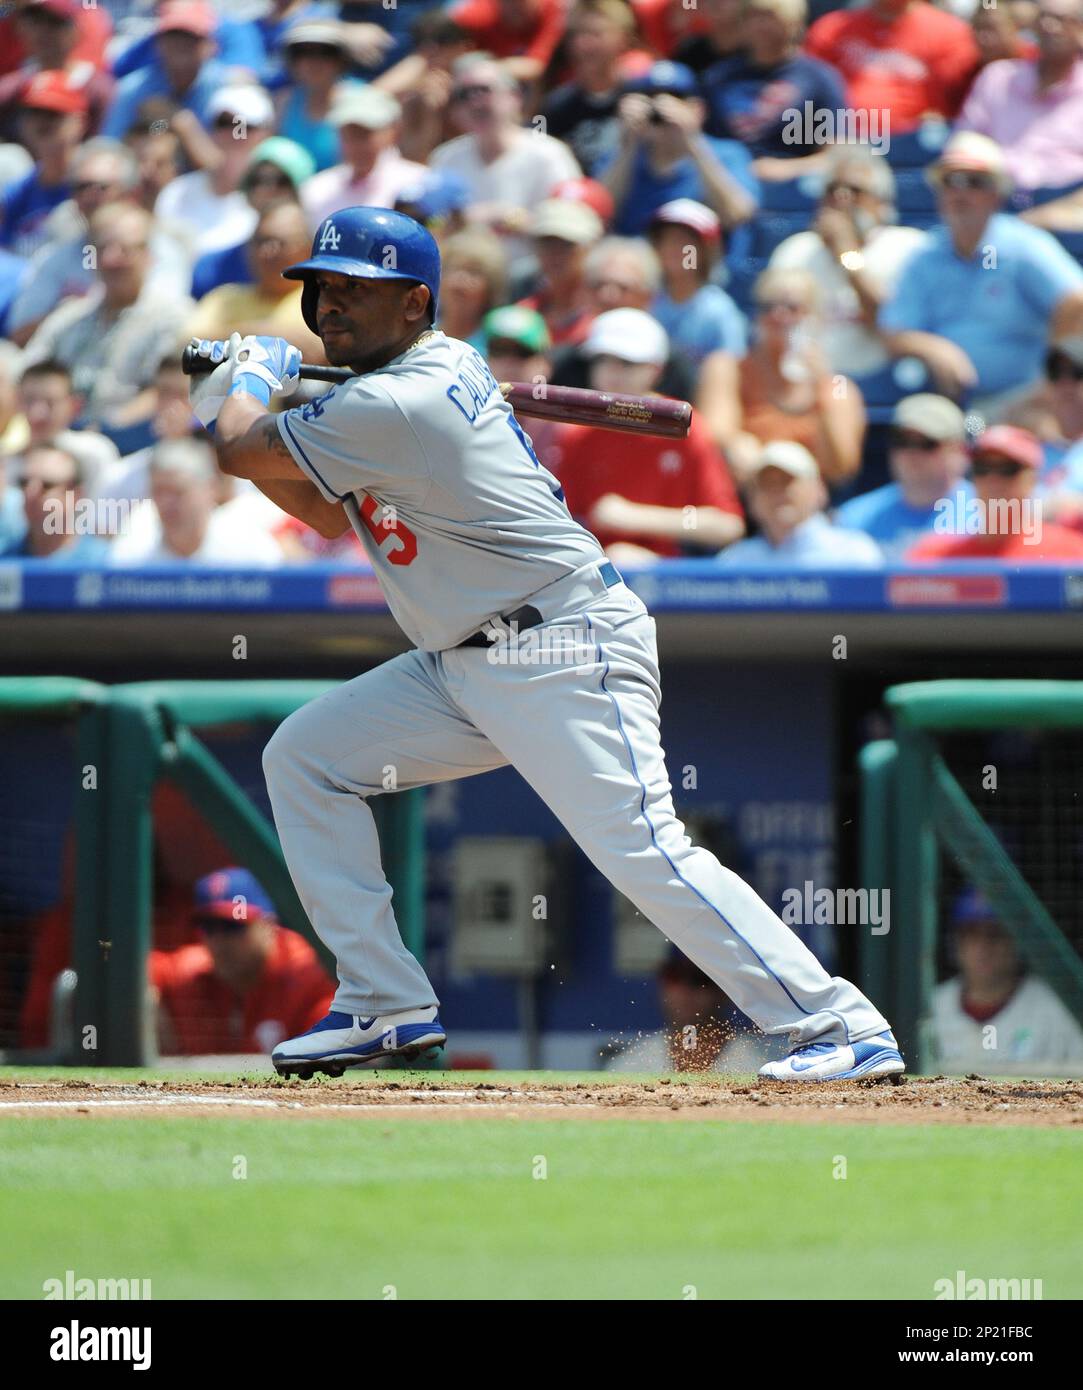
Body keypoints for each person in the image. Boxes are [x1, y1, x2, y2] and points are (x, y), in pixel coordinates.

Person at [189, 206, 904, 1083]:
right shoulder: (419, 377)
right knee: (307, 758)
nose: (329, 306)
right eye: (322, 289)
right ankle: (382, 1002)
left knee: (642, 848)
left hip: (557, 641)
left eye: (354, 290)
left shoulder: (400, 399)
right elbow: (316, 511)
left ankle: (836, 1023)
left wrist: (249, 384)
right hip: (462, 662)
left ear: (415, 303)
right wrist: (227, 406)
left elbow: (237, 450)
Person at [879, 132, 1083, 420]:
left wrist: (1047, 381)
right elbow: (893, 331)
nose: (960, 192)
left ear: (996, 194)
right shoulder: (924, 254)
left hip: (1021, 404)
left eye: (974, 182)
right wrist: (932, 347)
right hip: (946, 406)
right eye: (951, 181)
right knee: (910, 430)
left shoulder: (1021, 245)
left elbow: (1076, 300)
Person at [552, 307, 745, 564]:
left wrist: (635, 518)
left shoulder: (683, 425)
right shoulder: (575, 434)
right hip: (592, 576)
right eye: (603, 359)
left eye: (627, 362)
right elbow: (560, 521)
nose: (612, 372)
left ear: (656, 369)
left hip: (672, 578)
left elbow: (727, 525)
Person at [21, 202, 193, 431]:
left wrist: (107, 428)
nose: (111, 260)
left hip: (132, 441)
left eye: (124, 249)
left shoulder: (173, 318)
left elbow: (167, 391)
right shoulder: (68, 316)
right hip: (61, 434)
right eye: (102, 249)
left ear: (147, 256)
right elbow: (28, 372)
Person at [6, 135, 191, 347]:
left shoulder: (160, 248)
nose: (90, 196)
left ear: (131, 192)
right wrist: (77, 313)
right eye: (81, 187)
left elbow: (168, 321)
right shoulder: (55, 256)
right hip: (67, 361)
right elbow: (20, 333)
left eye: (101, 187)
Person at [767, 146, 926, 380]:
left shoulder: (907, 247)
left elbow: (893, 323)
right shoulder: (796, 250)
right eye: (832, 189)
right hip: (806, 386)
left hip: (884, 382)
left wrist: (846, 254)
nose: (841, 199)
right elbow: (774, 328)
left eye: (855, 190)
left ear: (882, 205)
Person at [704, 266, 866, 486]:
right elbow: (715, 434)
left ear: (814, 317)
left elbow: (840, 468)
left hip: (808, 500)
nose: (779, 315)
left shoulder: (837, 388)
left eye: (793, 307)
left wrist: (822, 387)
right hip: (749, 490)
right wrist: (736, 444)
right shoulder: (728, 368)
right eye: (768, 307)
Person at [150, 867, 336, 1056]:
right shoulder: (197, 971)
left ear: (269, 924)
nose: (220, 941)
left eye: (232, 926)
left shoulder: (309, 974)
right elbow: (144, 971)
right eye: (209, 927)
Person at [429, 53, 581, 259]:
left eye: (483, 90)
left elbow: (574, 224)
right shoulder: (445, 158)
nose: (475, 101)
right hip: (464, 276)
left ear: (514, 96)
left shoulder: (549, 154)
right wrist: (473, 219)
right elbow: (432, 225)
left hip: (530, 276)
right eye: (464, 94)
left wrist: (512, 219)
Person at [599, 60, 759, 246]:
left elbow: (737, 215)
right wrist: (629, 143)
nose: (662, 108)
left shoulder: (728, 153)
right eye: (651, 97)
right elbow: (598, 217)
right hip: (635, 265)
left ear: (699, 109)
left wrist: (692, 140)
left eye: (675, 97)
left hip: (697, 266)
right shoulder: (621, 154)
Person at [929, 888, 1083, 1076]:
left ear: (1016, 941)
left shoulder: (1056, 1007)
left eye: (994, 934)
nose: (982, 948)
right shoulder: (933, 1006)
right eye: (971, 935)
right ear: (956, 943)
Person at [956, 0, 1083, 216]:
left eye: (1063, 20)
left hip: (1067, 209)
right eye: (1044, 18)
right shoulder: (998, 78)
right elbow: (964, 145)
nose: (1051, 27)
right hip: (996, 202)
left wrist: (1044, 218)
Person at [702, 0, 848, 177]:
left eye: (770, 16)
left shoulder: (819, 79)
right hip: (726, 179)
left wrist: (786, 168)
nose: (760, 25)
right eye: (753, 16)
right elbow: (699, 143)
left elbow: (837, 155)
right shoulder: (719, 77)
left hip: (793, 184)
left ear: (794, 23)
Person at [549, 235, 701, 401]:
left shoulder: (675, 368)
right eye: (598, 285)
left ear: (649, 296)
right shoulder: (564, 363)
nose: (608, 295)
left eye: (623, 287)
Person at [906, 423, 1083, 562]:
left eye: (1007, 469)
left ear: (1032, 479)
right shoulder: (933, 556)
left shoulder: (1071, 553)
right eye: (982, 469)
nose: (993, 480)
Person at [804, 0, 980, 132]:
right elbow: (807, 95)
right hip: (842, 143)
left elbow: (961, 106)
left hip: (915, 149)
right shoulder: (830, 29)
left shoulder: (952, 33)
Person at [108, 437, 283, 567]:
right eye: (159, 492)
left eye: (178, 492)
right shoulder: (135, 544)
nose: (167, 502)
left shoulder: (248, 548)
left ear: (210, 488)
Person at [834, 394, 971, 561]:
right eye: (901, 441)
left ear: (959, 451)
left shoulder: (987, 515)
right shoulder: (854, 517)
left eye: (926, 443)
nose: (911, 453)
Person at [186, 200, 324, 361]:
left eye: (279, 243)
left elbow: (321, 350)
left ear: (308, 248)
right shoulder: (224, 298)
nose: (266, 252)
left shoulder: (321, 297)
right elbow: (186, 346)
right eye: (260, 241)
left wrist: (230, 337)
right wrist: (264, 335)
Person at [716, 440, 883, 567]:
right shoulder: (734, 561)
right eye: (767, 484)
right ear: (752, 499)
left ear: (819, 489)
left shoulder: (854, 555)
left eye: (788, 481)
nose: (778, 492)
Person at [605, 949, 777, 1072]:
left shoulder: (761, 1064)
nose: (685, 990)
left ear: (725, 990)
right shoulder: (631, 1064)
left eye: (700, 979)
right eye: (674, 977)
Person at [153, 85, 275, 257]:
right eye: (224, 123)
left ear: (267, 133)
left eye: (244, 126)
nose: (234, 133)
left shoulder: (275, 196)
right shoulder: (176, 192)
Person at [190, 136, 316, 300]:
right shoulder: (211, 267)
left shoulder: (323, 269)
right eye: (257, 180)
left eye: (280, 180)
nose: (266, 189)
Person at [301, 86, 428, 229]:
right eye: (348, 133)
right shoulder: (316, 189)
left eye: (365, 133)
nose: (356, 143)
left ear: (393, 131)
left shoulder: (420, 183)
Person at [101, 1, 229, 140]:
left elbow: (226, 159)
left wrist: (181, 122)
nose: (180, 45)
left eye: (191, 37)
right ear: (157, 43)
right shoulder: (133, 89)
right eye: (172, 36)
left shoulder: (225, 88)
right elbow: (111, 146)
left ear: (210, 44)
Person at [540, 0, 636, 177]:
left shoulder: (639, 95)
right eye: (577, 35)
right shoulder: (557, 106)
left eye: (596, 34)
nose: (583, 45)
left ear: (623, 38)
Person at [647, 198, 747, 364]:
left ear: (706, 251)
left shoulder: (720, 312)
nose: (674, 248)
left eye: (686, 242)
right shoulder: (642, 298)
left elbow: (729, 368)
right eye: (667, 240)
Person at [0, 69, 86, 257]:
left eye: (53, 113)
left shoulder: (92, 183)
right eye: (34, 112)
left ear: (79, 122)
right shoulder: (18, 191)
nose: (42, 122)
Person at [0, 0, 115, 138]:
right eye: (35, 22)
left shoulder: (100, 91)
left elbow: (107, 144)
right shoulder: (10, 88)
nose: (43, 32)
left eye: (54, 23)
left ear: (75, 30)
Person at [371, 11, 473, 165]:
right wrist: (425, 103)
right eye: (422, 42)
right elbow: (371, 96)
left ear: (464, 45)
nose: (432, 49)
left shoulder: (479, 80)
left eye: (442, 40)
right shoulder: (417, 83)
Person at [9, 357, 120, 496]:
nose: (38, 413)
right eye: (29, 400)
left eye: (51, 403)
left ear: (75, 405)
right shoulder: (7, 462)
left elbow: (107, 511)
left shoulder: (95, 453)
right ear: (16, 402)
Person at [1, 441, 110, 564]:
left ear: (75, 495)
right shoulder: (5, 558)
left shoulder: (101, 562)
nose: (31, 493)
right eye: (24, 483)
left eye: (47, 485)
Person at [517, 197, 603, 347]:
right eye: (547, 243)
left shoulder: (603, 315)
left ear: (590, 249)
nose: (555, 254)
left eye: (566, 245)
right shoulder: (522, 314)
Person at [275, 20, 358, 173]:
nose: (313, 62)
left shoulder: (362, 99)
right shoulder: (282, 102)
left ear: (341, 59)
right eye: (303, 53)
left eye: (325, 52)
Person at [445, 0, 567, 86]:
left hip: (547, 93)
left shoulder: (553, 9)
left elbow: (535, 67)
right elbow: (440, 39)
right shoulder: (478, 14)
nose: (515, 6)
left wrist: (481, 70)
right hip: (488, 93)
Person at [435, 228, 509, 349]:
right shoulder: (416, 336)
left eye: (474, 272)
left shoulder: (499, 342)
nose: (461, 279)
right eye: (454, 268)